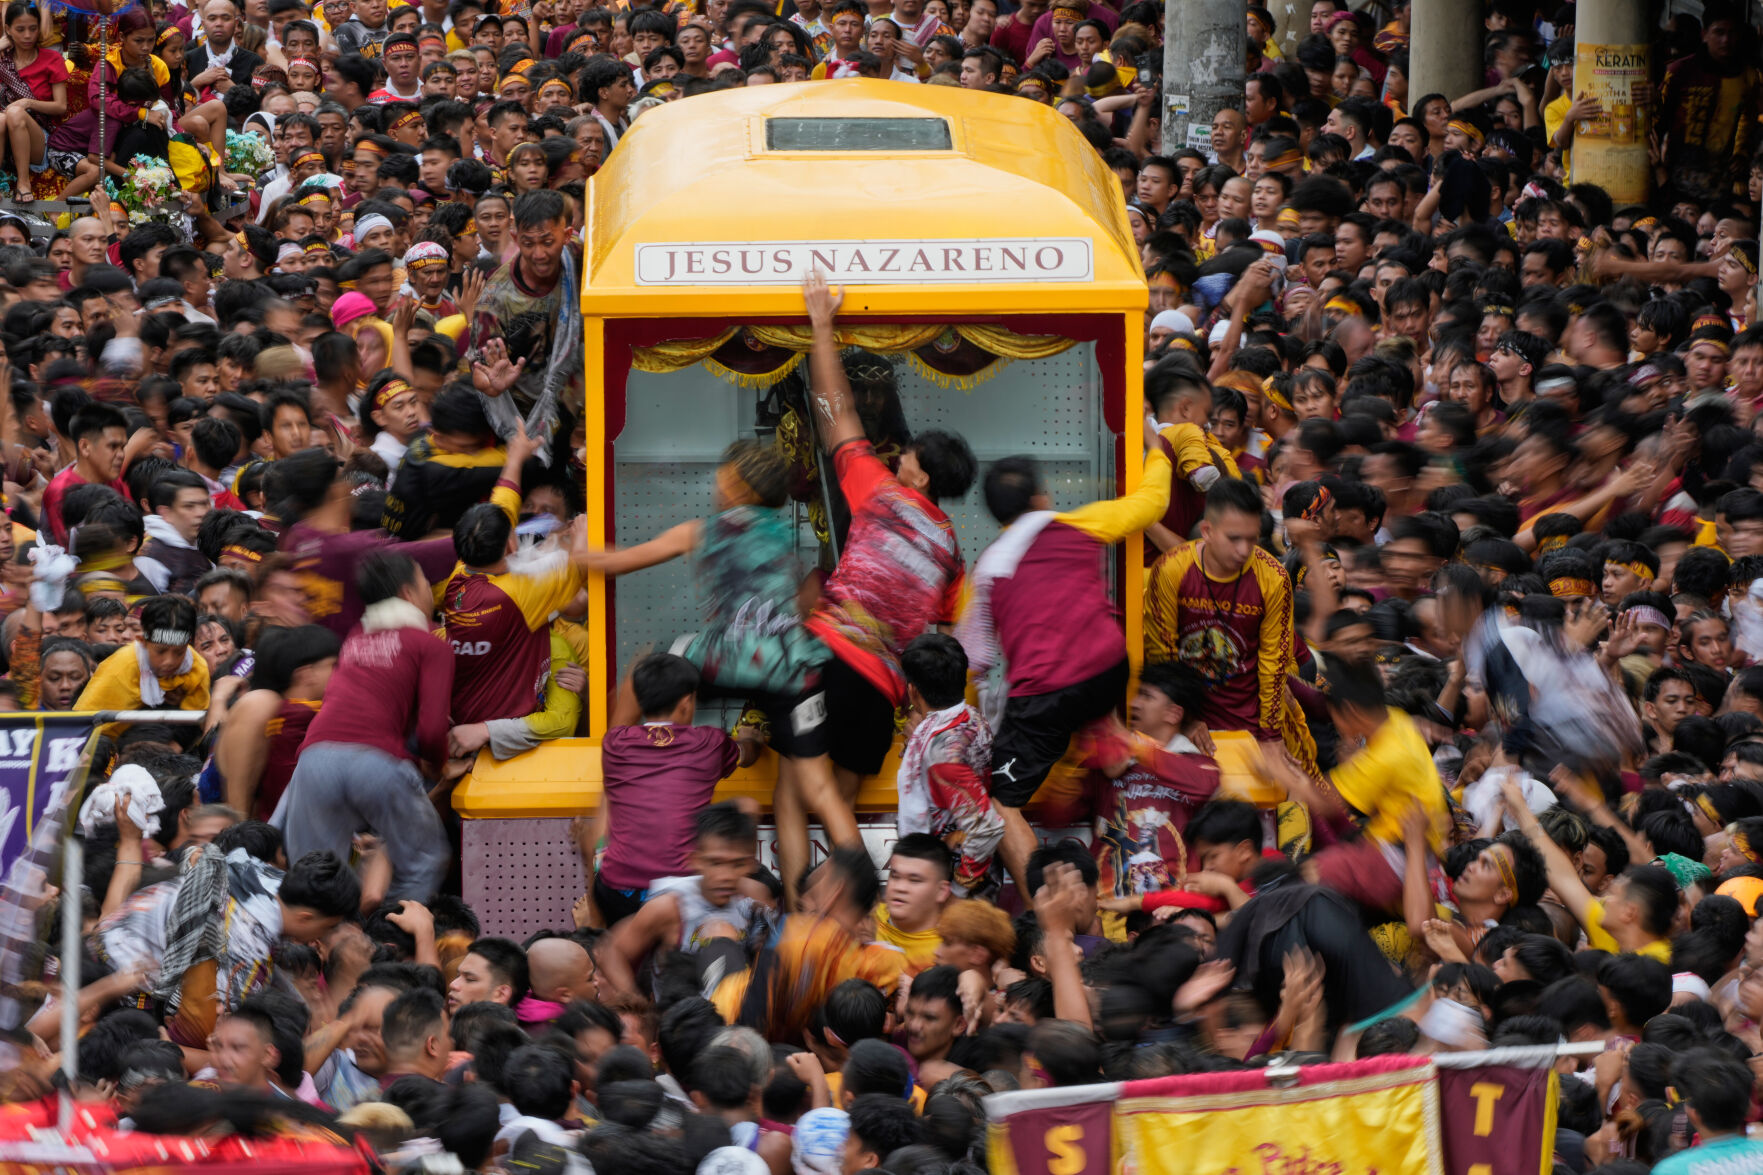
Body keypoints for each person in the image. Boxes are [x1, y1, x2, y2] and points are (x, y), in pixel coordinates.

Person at [955, 434, 1171, 901]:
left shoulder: (989, 569)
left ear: (995, 513)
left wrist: (967, 725)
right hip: (1108, 669)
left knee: (1000, 806)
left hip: (1046, 692)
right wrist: (1156, 450)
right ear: (1040, 497)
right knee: (1086, 717)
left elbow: (973, 659)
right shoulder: (1076, 523)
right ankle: (1106, 742)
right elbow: (1151, 502)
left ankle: (1050, 904)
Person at [271, 551, 454, 902]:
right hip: (376, 762)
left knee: (316, 877)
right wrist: (437, 764)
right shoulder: (431, 643)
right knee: (423, 860)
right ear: (408, 594)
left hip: (315, 759)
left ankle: (320, 951)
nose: (432, 591)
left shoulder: (355, 636)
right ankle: (392, 942)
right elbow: (432, 733)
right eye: (424, 583)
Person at [586, 654, 762, 926]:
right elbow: (745, 754)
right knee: (747, 807)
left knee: (603, 852)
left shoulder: (614, 743)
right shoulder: (709, 743)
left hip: (618, 893)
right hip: (679, 893)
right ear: (686, 702)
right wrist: (750, 737)